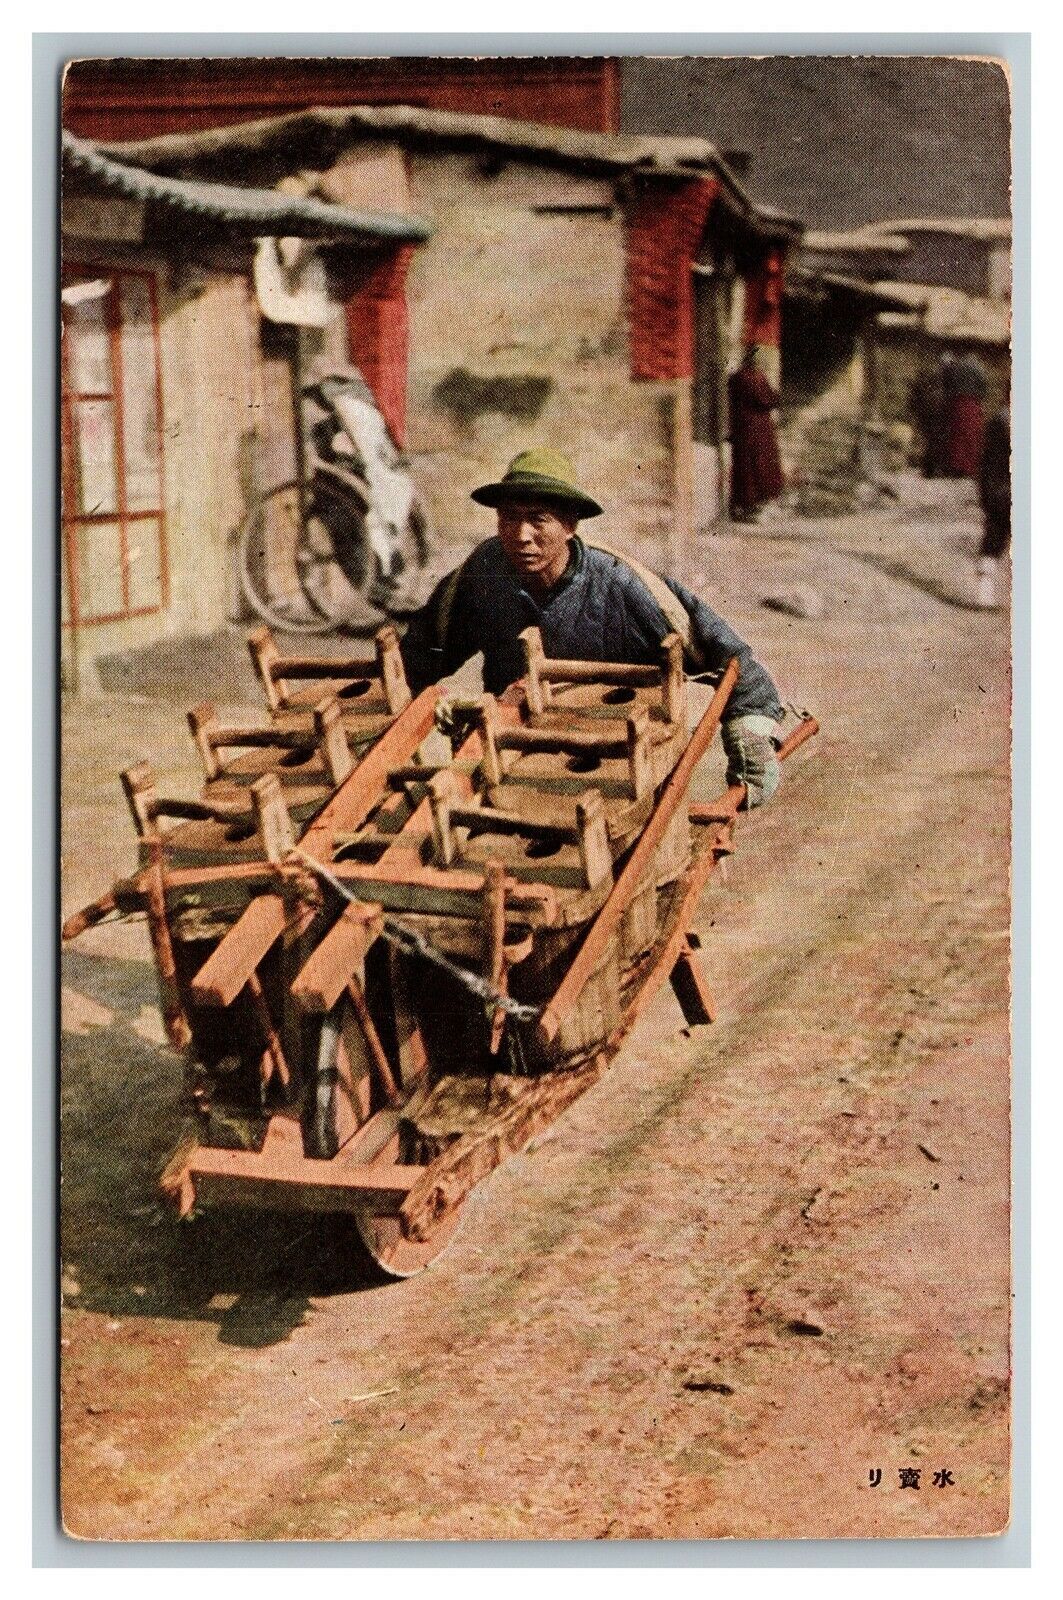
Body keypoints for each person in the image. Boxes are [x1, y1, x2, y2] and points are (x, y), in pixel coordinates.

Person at [399, 448, 785, 807]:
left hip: (611, 765)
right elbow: (418, 656)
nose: (520, 535)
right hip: (511, 752)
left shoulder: (622, 584)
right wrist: (416, 717)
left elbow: (733, 663)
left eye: (538, 520)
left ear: (570, 525)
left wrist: (749, 733)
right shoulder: (482, 573)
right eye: (510, 517)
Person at [727, 345, 784, 523]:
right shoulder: (756, 378)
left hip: (740, 426)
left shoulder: (736, 377)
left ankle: (742, 503)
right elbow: (769, 399)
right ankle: (755, 502)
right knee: (759, 465)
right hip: (759, 428)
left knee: (744, 465)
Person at [975, 395, 1011, 609]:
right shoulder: (1002, 422)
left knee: (993, 541)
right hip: (1004, 490)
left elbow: (985, 463)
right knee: (995, 540)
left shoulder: (998, 421)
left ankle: (984, 593)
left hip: (998, 490)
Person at [941, 345, 988, 478]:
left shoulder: (957, 367)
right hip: (973, 404)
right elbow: (983, 388)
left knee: (957, 436)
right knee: (972, 436)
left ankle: (957, 466)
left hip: (958, 404)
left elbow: (950, 386)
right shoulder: (979, 368)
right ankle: (969, 467)